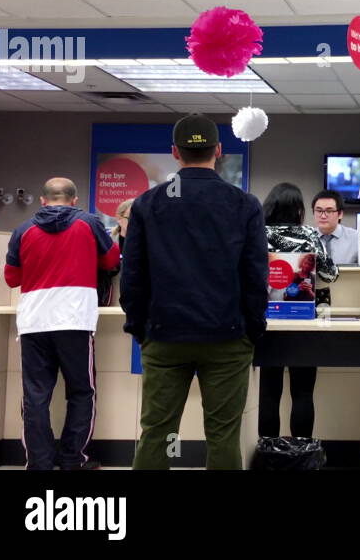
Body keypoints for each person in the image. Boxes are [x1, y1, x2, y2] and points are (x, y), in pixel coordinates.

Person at [121, 113, 268, 470]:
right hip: (227, 338)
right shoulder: (244, 205)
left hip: (164, 336)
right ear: (219, 151)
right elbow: (255, 276)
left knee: (157, 431)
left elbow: (133, 275)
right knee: (222, 435)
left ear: (175, 152)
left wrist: (140, 328)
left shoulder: (147, 205)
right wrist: (252, 329)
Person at [4, 177, 121, 470]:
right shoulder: (89, 224)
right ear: (74, 200)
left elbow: (11, 277)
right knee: (82, 392)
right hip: (75, 322)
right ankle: (72, 460)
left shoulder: (23, 230)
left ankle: (39, 464)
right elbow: (111, 260)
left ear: (43, 200)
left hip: (34, 324)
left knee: (35, 396)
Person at [259, 182, 338, 440]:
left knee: (268, 392)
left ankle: (268, 450)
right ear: (298, 209)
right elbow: (330, 274)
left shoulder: (258, 233)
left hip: (266, 322)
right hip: (303, 320)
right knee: (303, 392)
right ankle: (300, 451)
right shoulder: (310, 234)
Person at [312, 190, 359, 265]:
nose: (323, 216)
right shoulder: (305, 239)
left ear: (340, 214)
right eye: (319, 210)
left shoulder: (356, 238)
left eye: (329, 211)